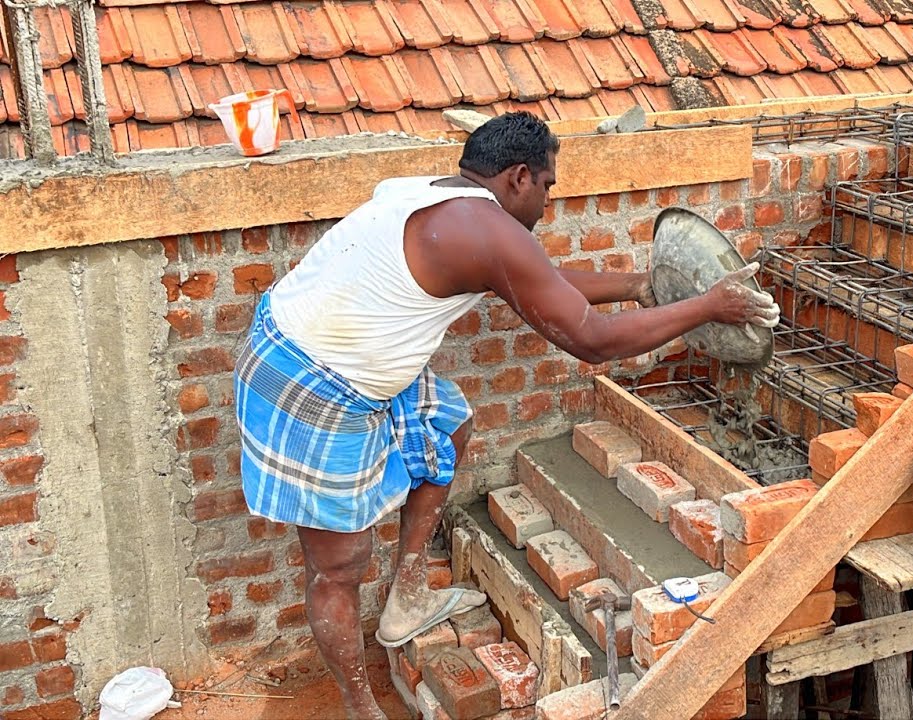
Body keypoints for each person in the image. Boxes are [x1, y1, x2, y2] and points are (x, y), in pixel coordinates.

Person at [232, 112, 780, 719]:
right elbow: (593, 341)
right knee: (339, 564)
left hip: (341, 353)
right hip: (307, 379)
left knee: (447, 426)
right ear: (519, 176)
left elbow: (538, 280)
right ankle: (360, 706)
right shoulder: (486, 231)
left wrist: (639, 285)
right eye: (547, 187)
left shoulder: (441, 198)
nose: (547, 205)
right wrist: (710, 305)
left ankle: (406, 595)